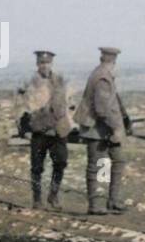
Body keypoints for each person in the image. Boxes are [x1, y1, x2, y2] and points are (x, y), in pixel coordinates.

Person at [73, 47, 131, 215]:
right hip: (97, 130)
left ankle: (113, 200)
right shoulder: (103, 77)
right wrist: (116, 129)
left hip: (104, 128)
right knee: (97, 166)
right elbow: (102, 109)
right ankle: (96, 204)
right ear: (112, 61)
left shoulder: (103, 74)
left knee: (118, 160)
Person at [18, 50, 70, 209]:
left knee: (60, 163)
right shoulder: (30, 82)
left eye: (47, 63)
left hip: (57, 130)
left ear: (51, 64)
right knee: (37, 167)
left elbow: (67, 101)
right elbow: (21, 107)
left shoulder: (59, 80)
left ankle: (53, 195)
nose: (45, 66)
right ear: (37, 64)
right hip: (39, 131)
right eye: (42, 63)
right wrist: (24, 129)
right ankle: (37, 199)